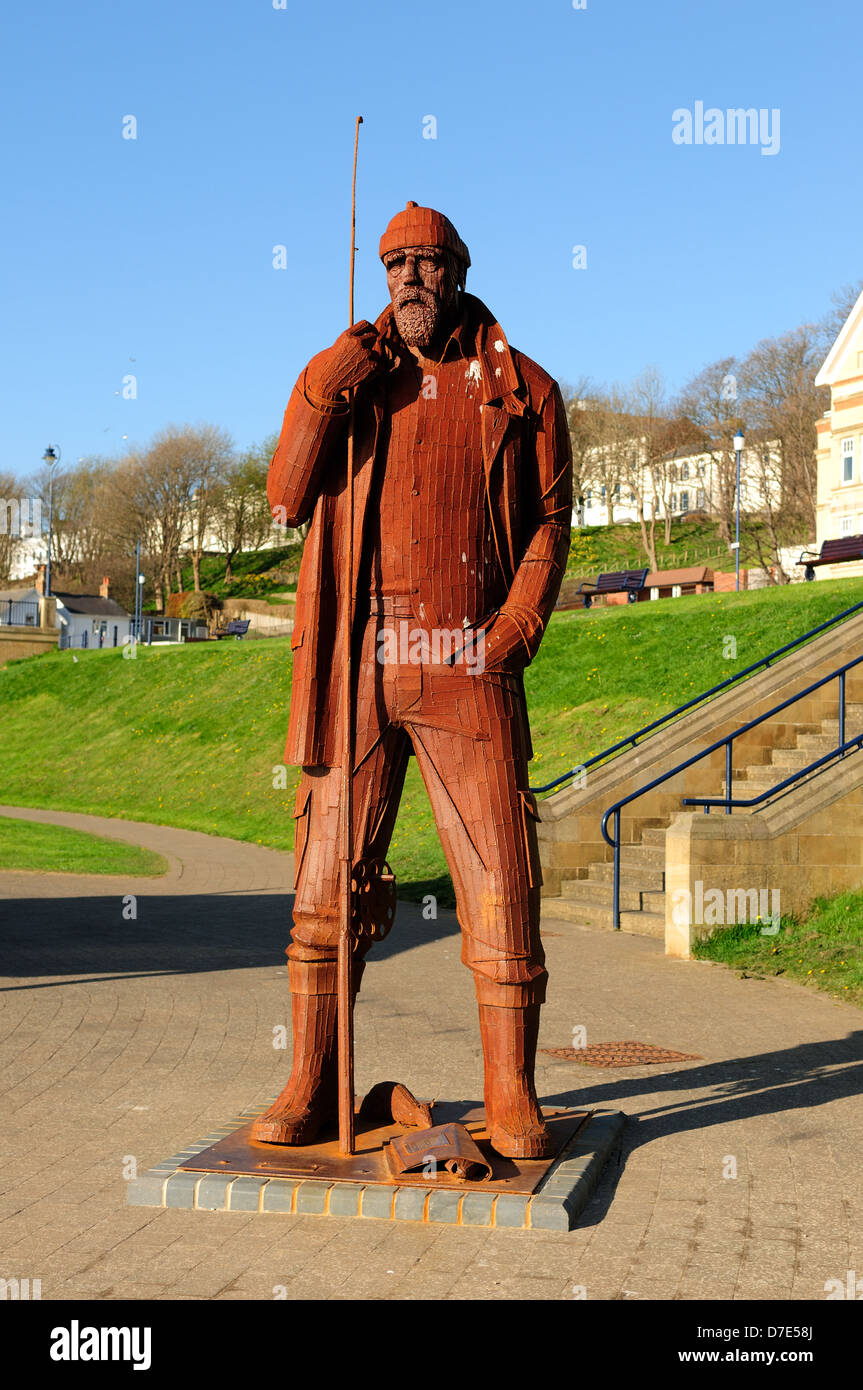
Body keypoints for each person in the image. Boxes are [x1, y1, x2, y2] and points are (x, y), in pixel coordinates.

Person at [256, 202, 572, 1157]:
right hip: (357, 661)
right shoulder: (350, 377)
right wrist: (324, 387)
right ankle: (312, 1083)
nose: (409, 280)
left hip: (464, 659)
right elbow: (283, 496)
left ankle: (510, 1092)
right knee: (323, 883)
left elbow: (552, 521)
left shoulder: (523, 388)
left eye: (428, 263)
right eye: (396, 263)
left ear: (460, 270)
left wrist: (515, 625)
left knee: (498, 879)